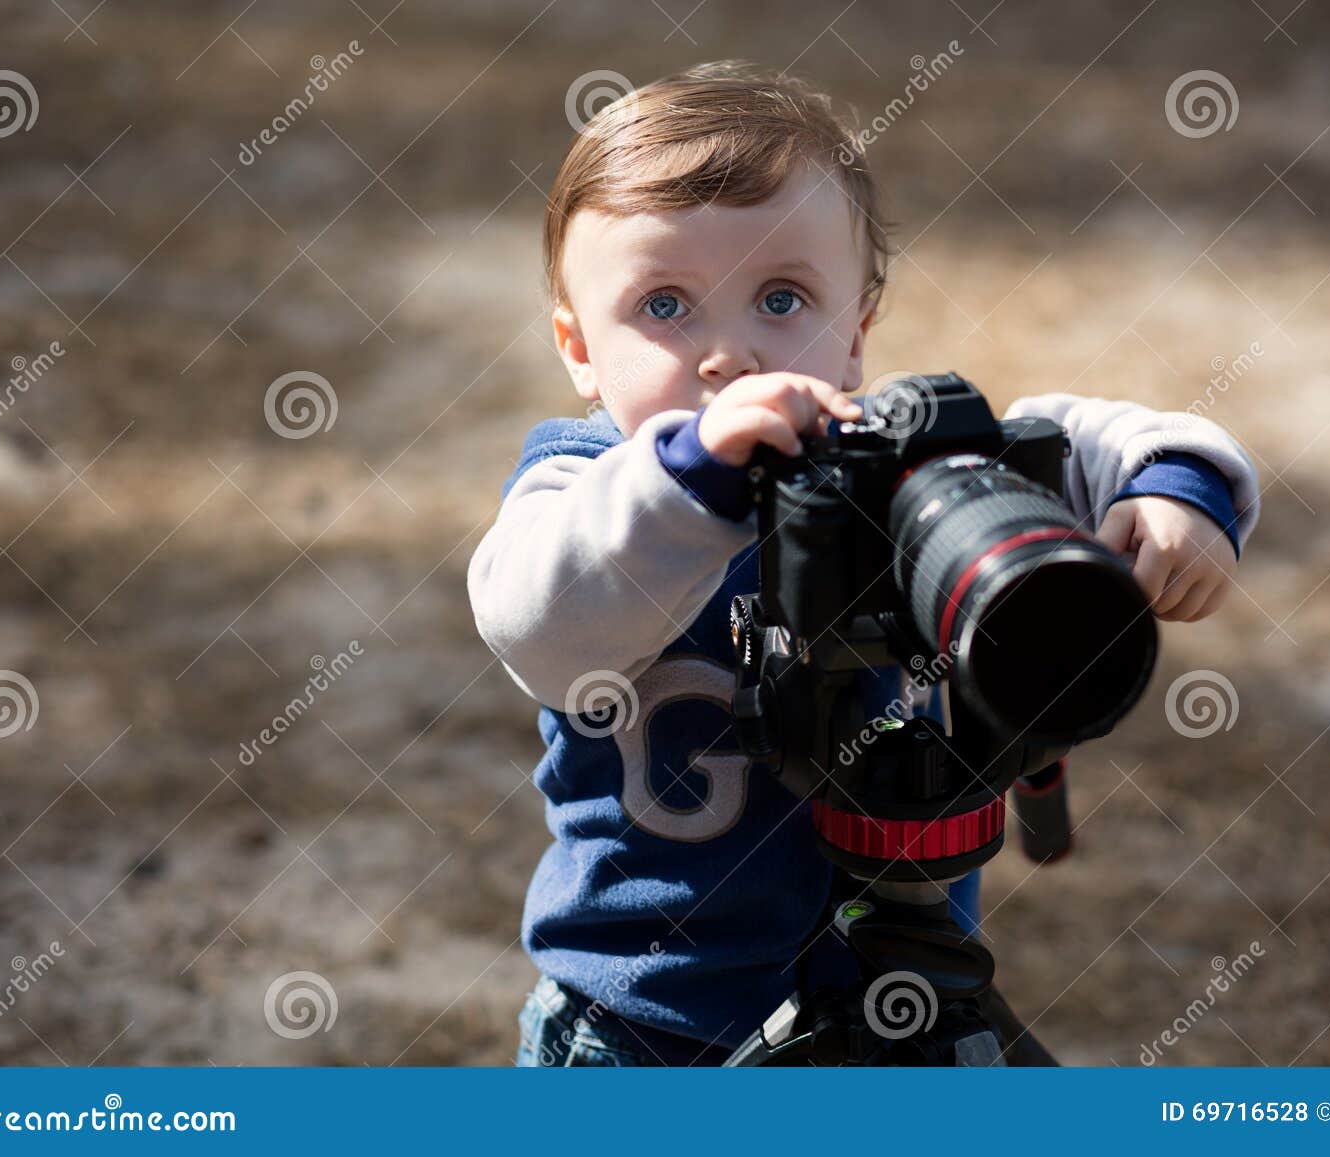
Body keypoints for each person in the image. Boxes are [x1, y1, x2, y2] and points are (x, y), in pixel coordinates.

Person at [468, 60, 1260, 1066]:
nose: (729, 355)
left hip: (900, 994)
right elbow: (537, 619)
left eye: (782, 298)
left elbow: (1074, 435)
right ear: (579, 347)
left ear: (857, 332)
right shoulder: (587, 485)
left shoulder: (887, 465)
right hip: (650, 1021)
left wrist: (1173, 488)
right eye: (664, 306)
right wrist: (693, 477)